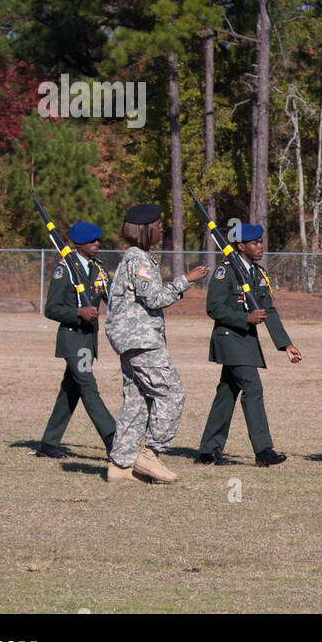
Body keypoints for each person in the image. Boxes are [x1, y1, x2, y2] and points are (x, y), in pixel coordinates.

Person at [103, 204, 209, 484]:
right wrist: (185, 280)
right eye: (158, 224)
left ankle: (120, 465)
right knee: (172, 392)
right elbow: (154, 298)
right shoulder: (138, 258)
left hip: (132, 340)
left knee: (136, 401)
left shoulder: (136, 257)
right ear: (145, 229)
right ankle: (150, 454)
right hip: (141, 340)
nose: (162, 228)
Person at [195, 222, 300, 467]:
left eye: (261, 242)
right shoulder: (226, 271)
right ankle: (263, 450)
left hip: (246, 343)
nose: (260, 247)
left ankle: (208, 451)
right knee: (253, 388)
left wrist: (285, 344)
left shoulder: (257, 273)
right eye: (255, 243)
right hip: (230, 340)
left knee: (227, 393)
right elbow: (214, 307)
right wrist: (245, 318)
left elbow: (269, 310)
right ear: (241, 246)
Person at [36, 221, 116, 459]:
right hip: (73, 340)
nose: (97, 244)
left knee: (70, 390)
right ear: (79, 244)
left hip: (89, 340)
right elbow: (51, 309)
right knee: (88, 387)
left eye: (98, 240)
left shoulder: (98, 268)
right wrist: (77, 313)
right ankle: (113, 438)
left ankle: (48, 443)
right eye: (92, 241)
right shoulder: (66, 270)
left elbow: (111, 297)